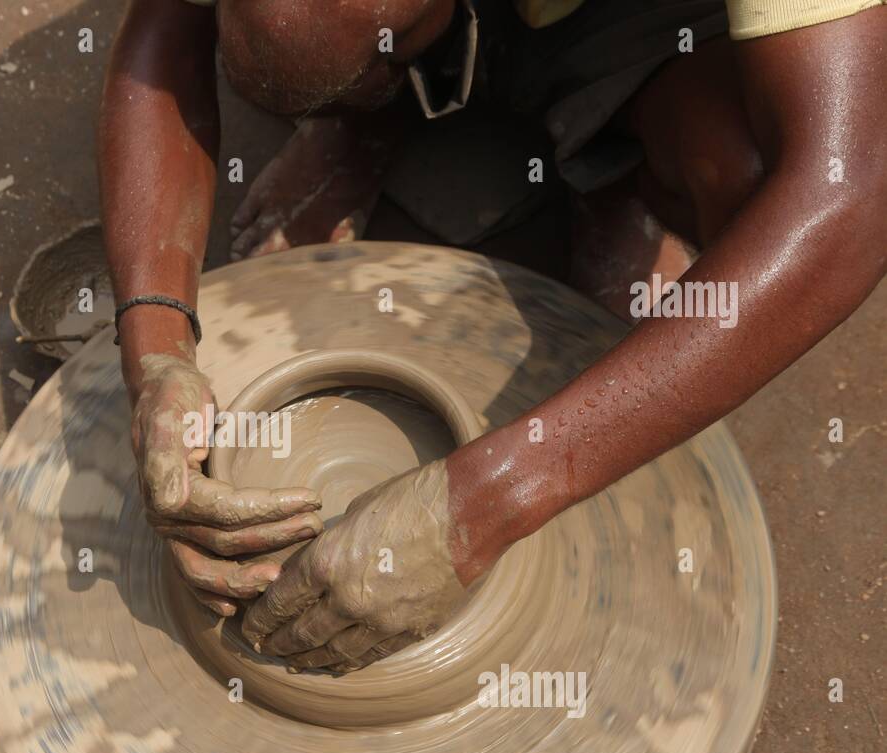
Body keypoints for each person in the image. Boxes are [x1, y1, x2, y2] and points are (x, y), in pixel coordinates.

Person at [97, 0, 887, 673]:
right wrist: (157, 348)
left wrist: (487, 500)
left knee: (746, 169)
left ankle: (632, 176)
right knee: (293, 23)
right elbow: (169, 23)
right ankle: (369, 108)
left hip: (652, 34)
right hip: (426, 23)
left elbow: (850, 194)